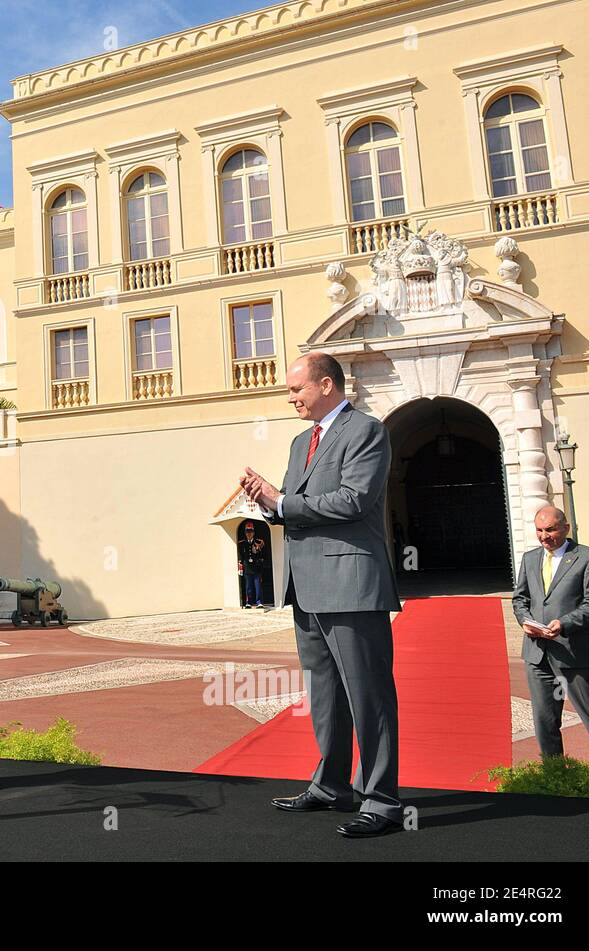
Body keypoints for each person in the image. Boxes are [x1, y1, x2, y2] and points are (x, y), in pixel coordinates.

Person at [241, 352, 402, 838]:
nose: (291, 399)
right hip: (307, 587)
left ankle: (382, 800)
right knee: (325, 695)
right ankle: (332, 786)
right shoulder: (298, 443)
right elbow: (297, 505)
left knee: (368, 696)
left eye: (297, 391)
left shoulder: (366, 432)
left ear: (326, 384)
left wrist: (284, 501)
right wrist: (269, 503)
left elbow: (354, 500)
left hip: (352, 585)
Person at [512, 505, 589, 757]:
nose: (544, 536)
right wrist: (524, 620)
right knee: (545, 721)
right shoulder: (530, 558)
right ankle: (554, 775)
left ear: (566, 528)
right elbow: (520, 599)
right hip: (537, 654)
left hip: (574, 653)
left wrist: (564, 623)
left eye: (550, 529)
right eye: (539, 530)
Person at [237, 521, 268, 608]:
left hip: (256, 568)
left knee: (258, 586)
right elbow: (240, 555)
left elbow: (264, 555)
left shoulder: (259, 542)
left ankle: (259, 602)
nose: (249, 533)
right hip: (247, 568)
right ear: (245, 533)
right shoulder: (241, 543)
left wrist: (258, 551)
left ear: (253, 532)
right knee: (248, 587)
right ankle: (248, 602)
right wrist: (240, 565)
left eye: (250, 531)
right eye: (247, 531)